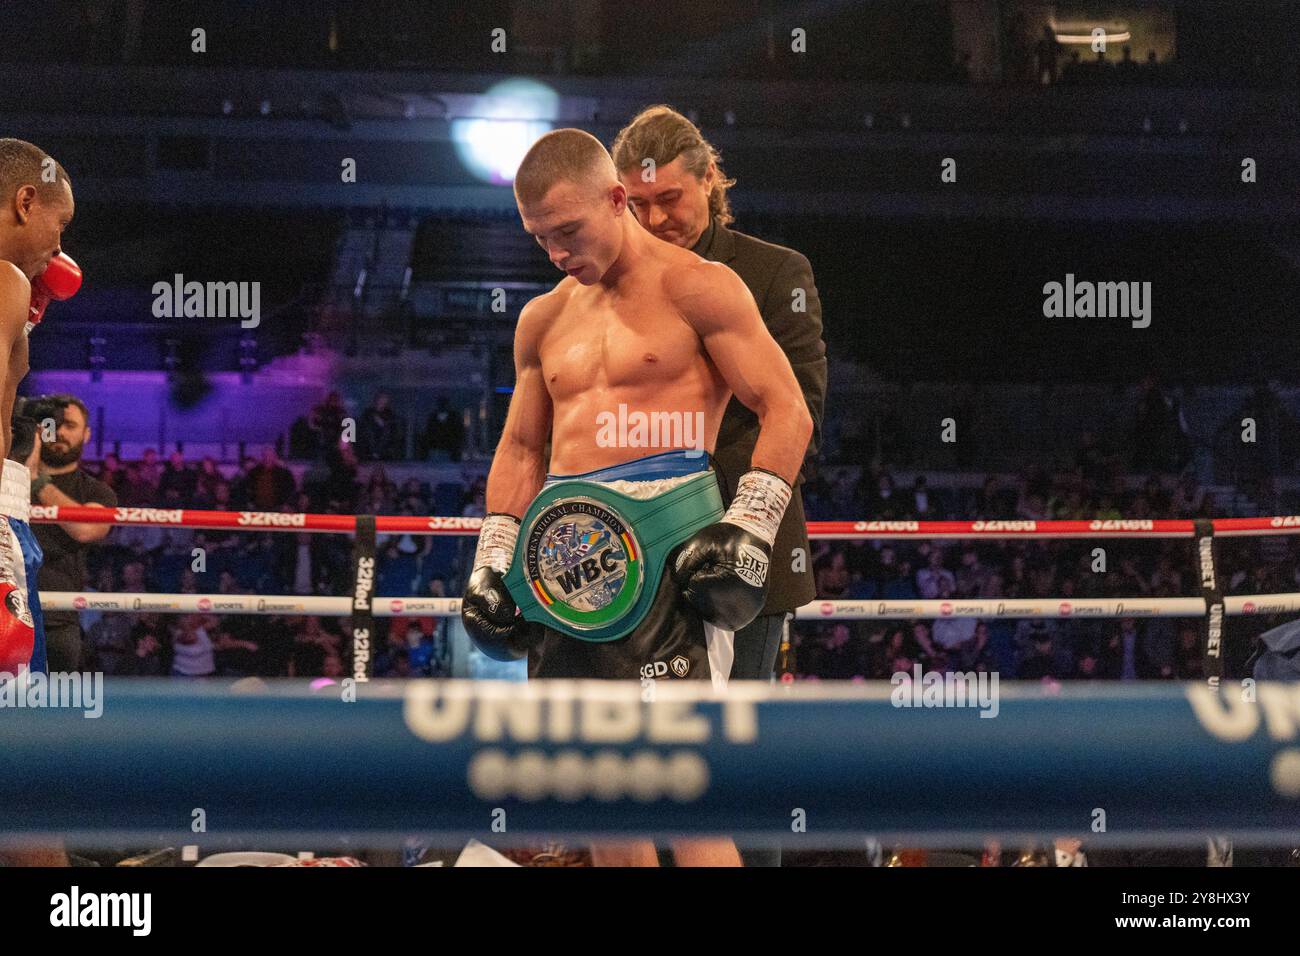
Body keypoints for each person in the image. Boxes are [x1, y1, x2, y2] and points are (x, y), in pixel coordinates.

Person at [459, 128, 812, 867]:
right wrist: (490, 560)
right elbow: (523, 449)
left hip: (668, 554)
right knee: (601, 800)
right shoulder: (543, 318)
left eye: (568, 231)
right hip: (565, 564)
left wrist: (748, 525)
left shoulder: (700, 286)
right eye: (539, 239)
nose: (557, 253)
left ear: (617, 200)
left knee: (683, 798)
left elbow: (787, 408)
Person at [611, 105, 826, 689]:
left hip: (739, 540)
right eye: (637, 203)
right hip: (626, 549)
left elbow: (799, 414)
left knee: (734, 745)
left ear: (709, 178)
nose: (654, 219)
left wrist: (737, 524)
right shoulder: (603, 285)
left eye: (670, 198)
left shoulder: (774, 274)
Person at [0, 137, 76, 867]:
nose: (59, 246)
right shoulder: (5, 278)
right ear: (25, 201)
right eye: (59, 225)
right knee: (22, 754)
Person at [31, 394, 117, 671]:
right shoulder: (7, 479)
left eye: (69, 424)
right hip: (4, 612)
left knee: (57, 708)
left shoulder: (97, 491)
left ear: (87, 433)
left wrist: (36, 481)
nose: (60, 432)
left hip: (57, 619)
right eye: (51, 423)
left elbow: (86, 529)